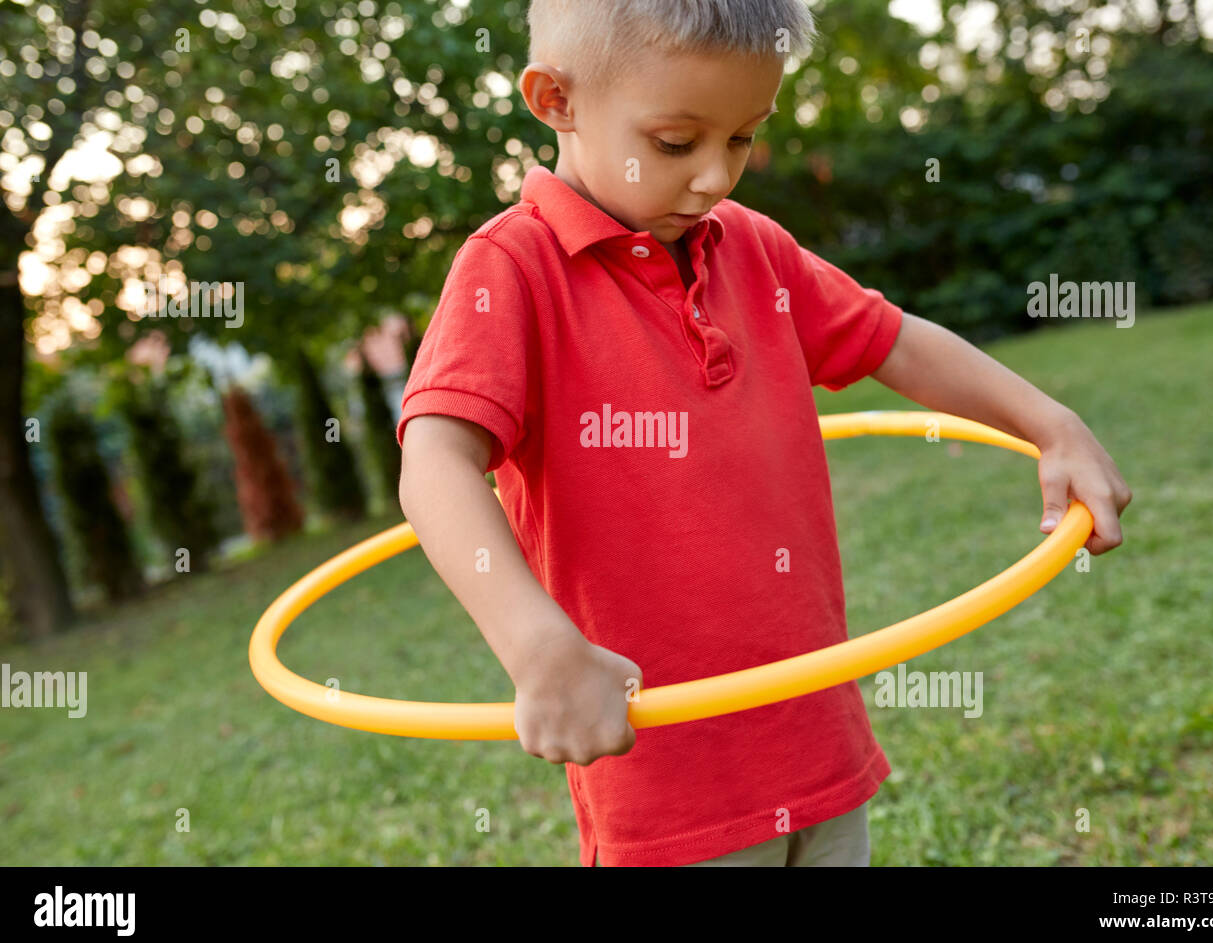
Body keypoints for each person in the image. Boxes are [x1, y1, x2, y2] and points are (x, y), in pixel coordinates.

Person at [395, 0, 1132, 867]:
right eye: (677, 143)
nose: (715, 178)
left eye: (743, 138)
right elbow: (436, 461)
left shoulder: (754, 248)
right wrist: (535, 644)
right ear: (556, 99)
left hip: (815, 739)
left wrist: (1052, 423)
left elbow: (891, 339)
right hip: (666, 788)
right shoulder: (510, 270)